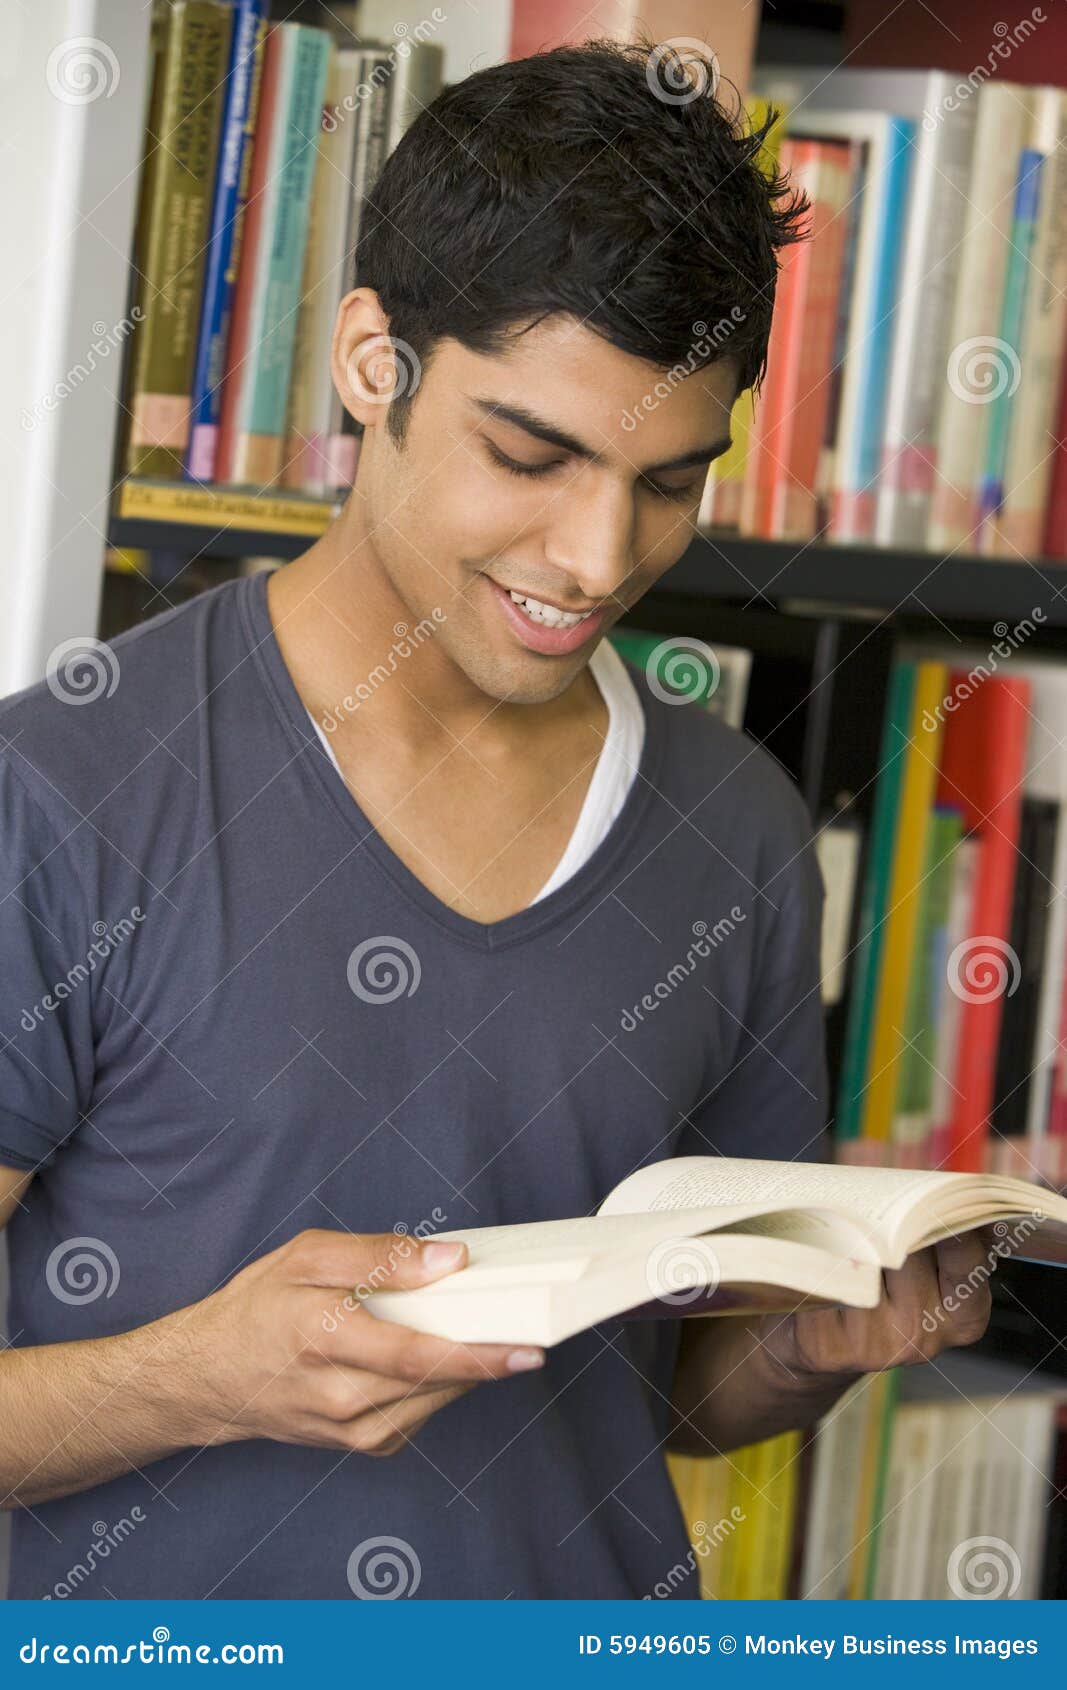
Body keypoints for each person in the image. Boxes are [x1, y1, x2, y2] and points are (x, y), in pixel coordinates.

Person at [0, 39, 990, 1601]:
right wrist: (191, 1375)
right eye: (531, 455)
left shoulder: (734, 828)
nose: (598, 556)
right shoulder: (62, 787)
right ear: (369, 361)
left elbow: (657, 1402)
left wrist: (809, 1348)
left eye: (671, 482)